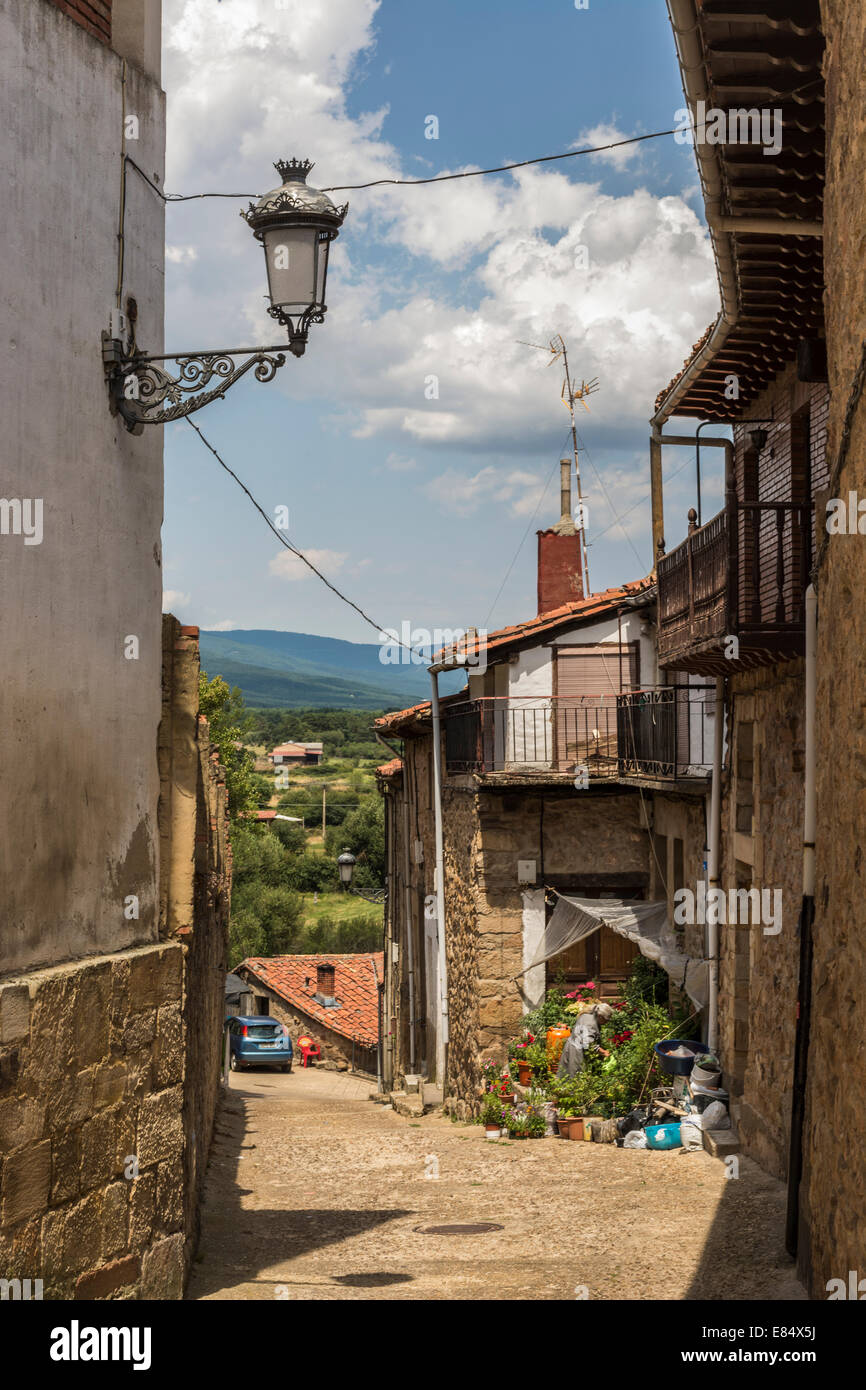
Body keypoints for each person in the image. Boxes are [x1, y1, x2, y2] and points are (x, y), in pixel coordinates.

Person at [557, 1000, 614, 1077]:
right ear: (600, 1016)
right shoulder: (590, 1024)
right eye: (606, 1020)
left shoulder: (587, 1015)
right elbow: (589, 1043)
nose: (606, 1022)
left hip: (571, 1046)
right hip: (577, 1051)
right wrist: (603, 1052)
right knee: (576, 1077)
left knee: (566, 1075)